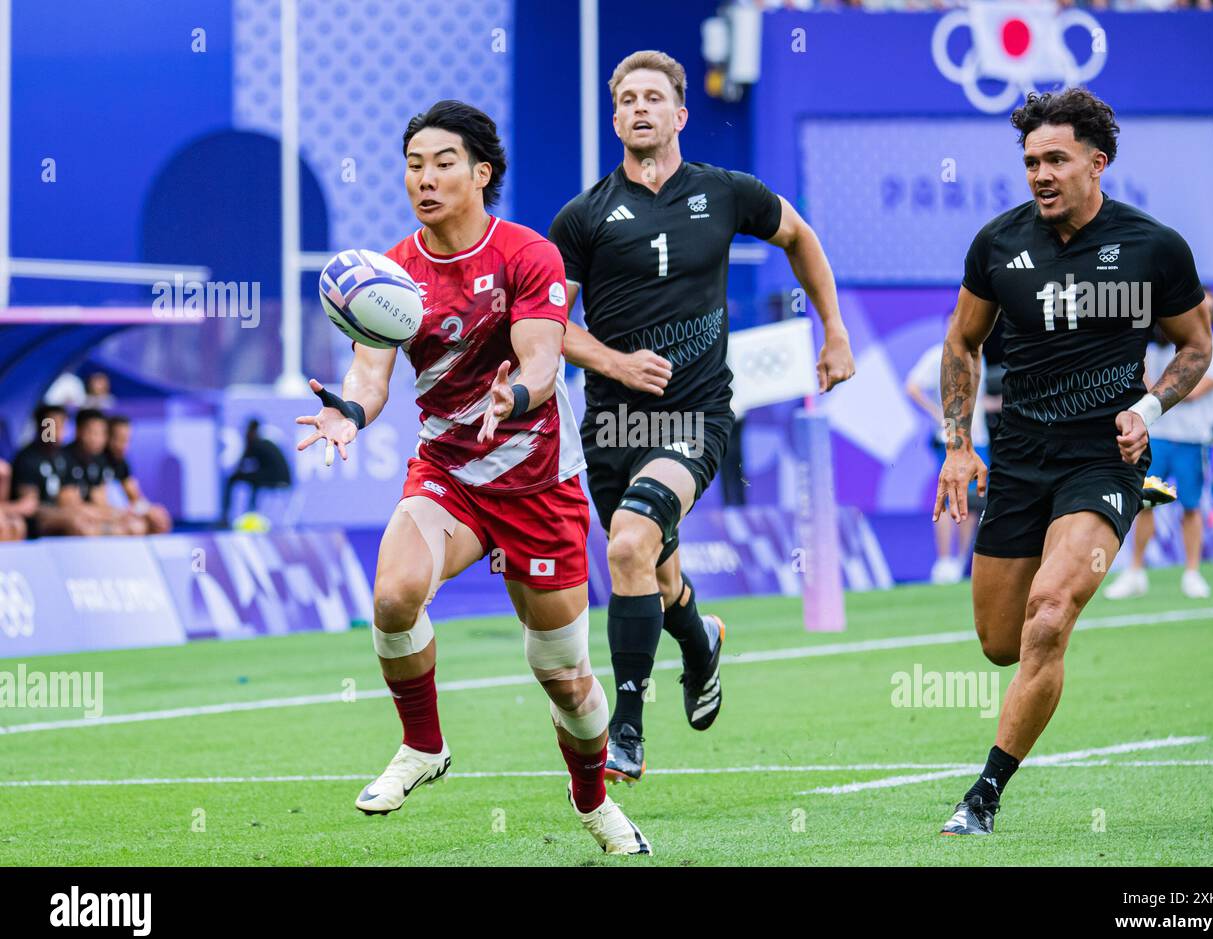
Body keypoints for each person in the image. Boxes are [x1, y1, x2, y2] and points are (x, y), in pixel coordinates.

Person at [295, 100, 649, 854]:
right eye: (414, 164)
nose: (424, 178)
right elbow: (370, 374)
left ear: (481, 172)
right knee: (393, 596)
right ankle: (423, 745)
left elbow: (544, 359)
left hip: (539, 487)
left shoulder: (527, 253)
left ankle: (592, 801)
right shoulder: (390, 276)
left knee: (567, 681)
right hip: (449, 477)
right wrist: (347, 415)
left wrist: (515, 393)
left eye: (443, 162)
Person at [549, 50, 855, 783]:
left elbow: (800, 237)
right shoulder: (582, 217)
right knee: (651, 577)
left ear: (680, 115)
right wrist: (614, 363)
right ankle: (699, 638)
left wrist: (834, 330)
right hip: (612, 426)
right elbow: (547, 325)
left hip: (697, 414)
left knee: (626, 546)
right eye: (627, 99)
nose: (641, 108)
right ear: (616, 117)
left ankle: (624, 727)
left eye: (654, 97)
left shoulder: (725, 193)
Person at [934, 89, 1212, 835]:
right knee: (1001, 643)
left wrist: (1147, 409)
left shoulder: (1155, 248)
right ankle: (1034, 677)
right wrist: (958, 445)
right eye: (1030, 162)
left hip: (1104, 461)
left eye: (1056, 159)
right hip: (1021, 461)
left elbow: (1196, 345)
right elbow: (963, 342)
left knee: (1050, 614)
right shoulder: (997, 244)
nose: (1041, 174)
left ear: (1098, 162)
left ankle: (982, 798)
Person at [1104, 291, 1213, 600]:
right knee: (1147, 503)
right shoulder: (1156, 349)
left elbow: (1187, 391)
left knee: (1191, 506)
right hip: (1157, 439)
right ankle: (1135, 571)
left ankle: (1192, 572)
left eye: (1208, 309)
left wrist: (1159, 384)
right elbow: (1144, 388)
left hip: (1193, 441)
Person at [905, 335, 989, 583]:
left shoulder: (979, 356)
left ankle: (960, 562)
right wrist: (937, 414)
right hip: (951, 437)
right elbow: (912, 386)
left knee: (972, 502)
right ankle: (943, 562)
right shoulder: (938, 355)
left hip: (979, 438)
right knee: (948, 496)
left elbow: (979, 401)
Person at [9, 404, 100, 537]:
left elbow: (69, 499)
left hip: (60, 514)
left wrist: (94, 513)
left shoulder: (64, 457)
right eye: (51, 425)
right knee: (77, 525)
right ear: (40, 427)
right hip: (36, 522)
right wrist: (66, 514)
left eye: (61, 425)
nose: (57, 431)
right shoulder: (27, 458)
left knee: (91, 522)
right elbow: (30, 507)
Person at [65, 408, 146, 535]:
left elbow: (101, 500)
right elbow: (70, 506)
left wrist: (144, 510)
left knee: (137, 525)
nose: (97, 439)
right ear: (78, 431)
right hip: (69, 517)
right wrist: (117, 515)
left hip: (96, 515)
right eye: (92, 432)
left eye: (101, 434)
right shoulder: (65, 459)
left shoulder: (99, 461)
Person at [104, 415, 173, 534]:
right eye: (119, 439)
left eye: (127, 440)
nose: (124, 445)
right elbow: (101, 505)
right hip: (107, 516)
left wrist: (150, 511)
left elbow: (135, 496)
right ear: (107, 437)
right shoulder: (97, 461)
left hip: (124, 514)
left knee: (159, 521)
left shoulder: (122, 463)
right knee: (136, 527)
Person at [220, 419, 292, 527]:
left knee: (238, 479)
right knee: (253, 479)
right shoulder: (262, 443)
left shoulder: (256, 444)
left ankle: (236, 515)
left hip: (276, 478)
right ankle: (250, 511)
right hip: (278, 477)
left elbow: (241, 465)